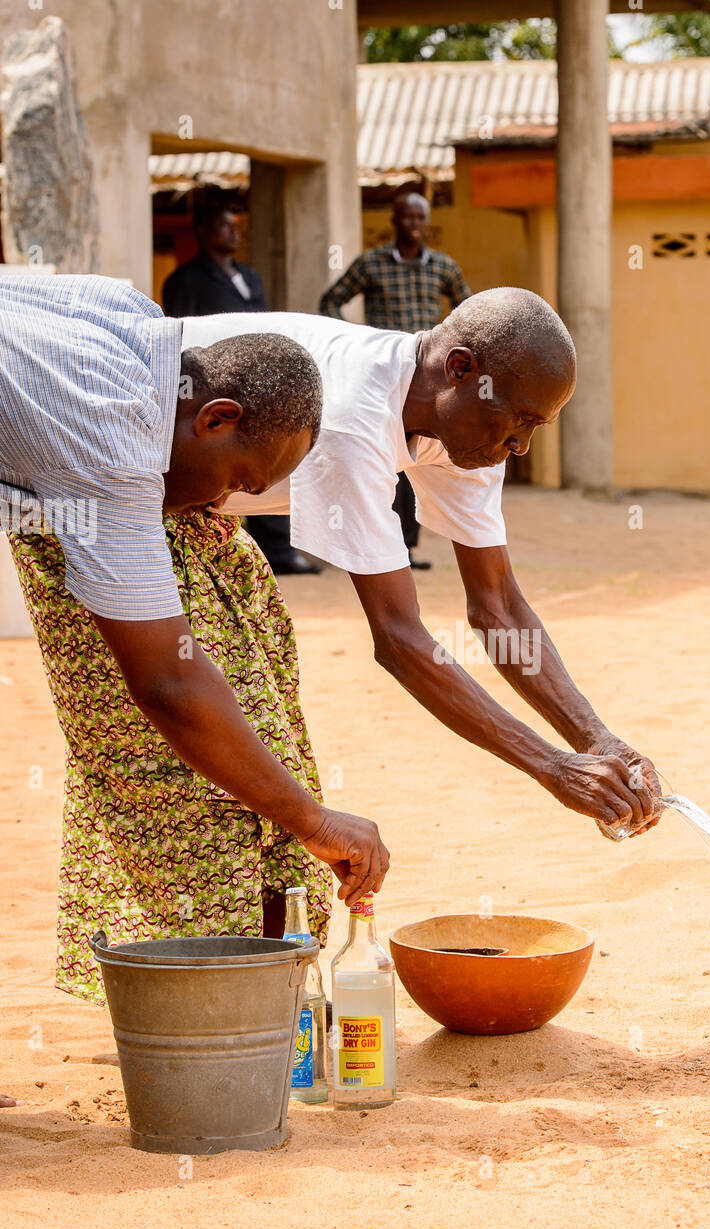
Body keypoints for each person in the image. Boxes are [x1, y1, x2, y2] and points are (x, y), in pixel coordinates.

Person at [0, 274, 389, 970]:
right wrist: (314, 820)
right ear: (214, 418)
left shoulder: (125, 315)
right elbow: (168, 685)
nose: (224, 501)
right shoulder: (114, 450)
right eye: (238, 479)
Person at [183, 288, 665, 834]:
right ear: (461, 369)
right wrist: (553, 767)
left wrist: (598, 742)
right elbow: (399, 640)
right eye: (522, 420)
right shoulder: (352, 418)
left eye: (537, 427)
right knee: (196, 777)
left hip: (205, 522)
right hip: (120, 505)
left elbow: (499, 609)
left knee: (257, 764)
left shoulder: (467, 423)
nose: (522, 446)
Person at [162, 206, 319, 576]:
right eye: (224, 226)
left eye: (237, 227)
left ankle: (278, 548)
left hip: (254, 381)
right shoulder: (184, 279)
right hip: (214, 381)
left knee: (263, 464)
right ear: (202, 231)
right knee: (225, 466)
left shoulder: (249, 276)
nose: (234, 234)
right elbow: (184, 332)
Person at [320, 191, 472, 571]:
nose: (414, 225)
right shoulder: (371, 264)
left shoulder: (443, 267)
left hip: (429, 376)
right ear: (395, 221)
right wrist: (355, 338)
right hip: (382, 373)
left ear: (427, 222)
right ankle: (372, 541)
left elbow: (469, 311)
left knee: (417, 454)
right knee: (380, 454)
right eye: (407, 218)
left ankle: (405, 546)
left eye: (421, 219)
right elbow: (331, 299)